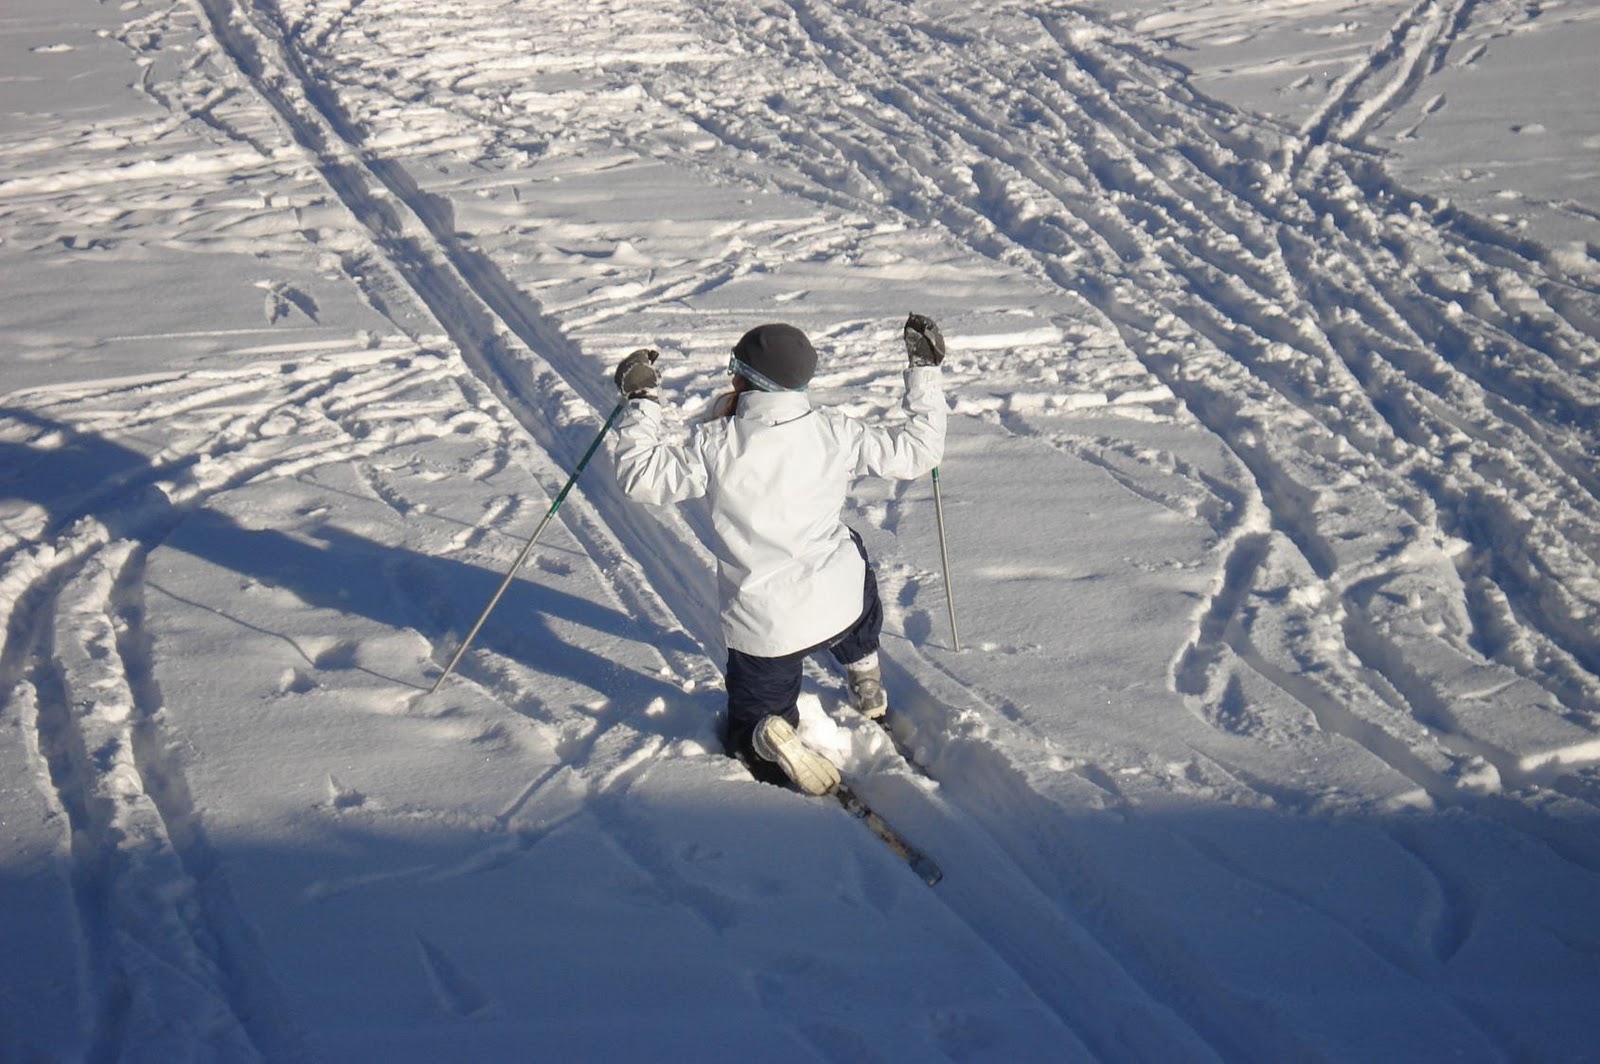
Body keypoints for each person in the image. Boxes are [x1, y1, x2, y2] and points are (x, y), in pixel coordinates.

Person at [609, 315, 947, 794]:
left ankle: (769, 740)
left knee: (750, 728)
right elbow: (918, 451)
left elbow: (643, 478)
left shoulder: (716, 444)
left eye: (734, 369)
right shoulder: (834, 431)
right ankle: (865, 674)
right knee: (851, 550)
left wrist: (641, 402)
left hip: (767, 630)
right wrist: (925, 372)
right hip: (841, 603)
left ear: (745, 378)